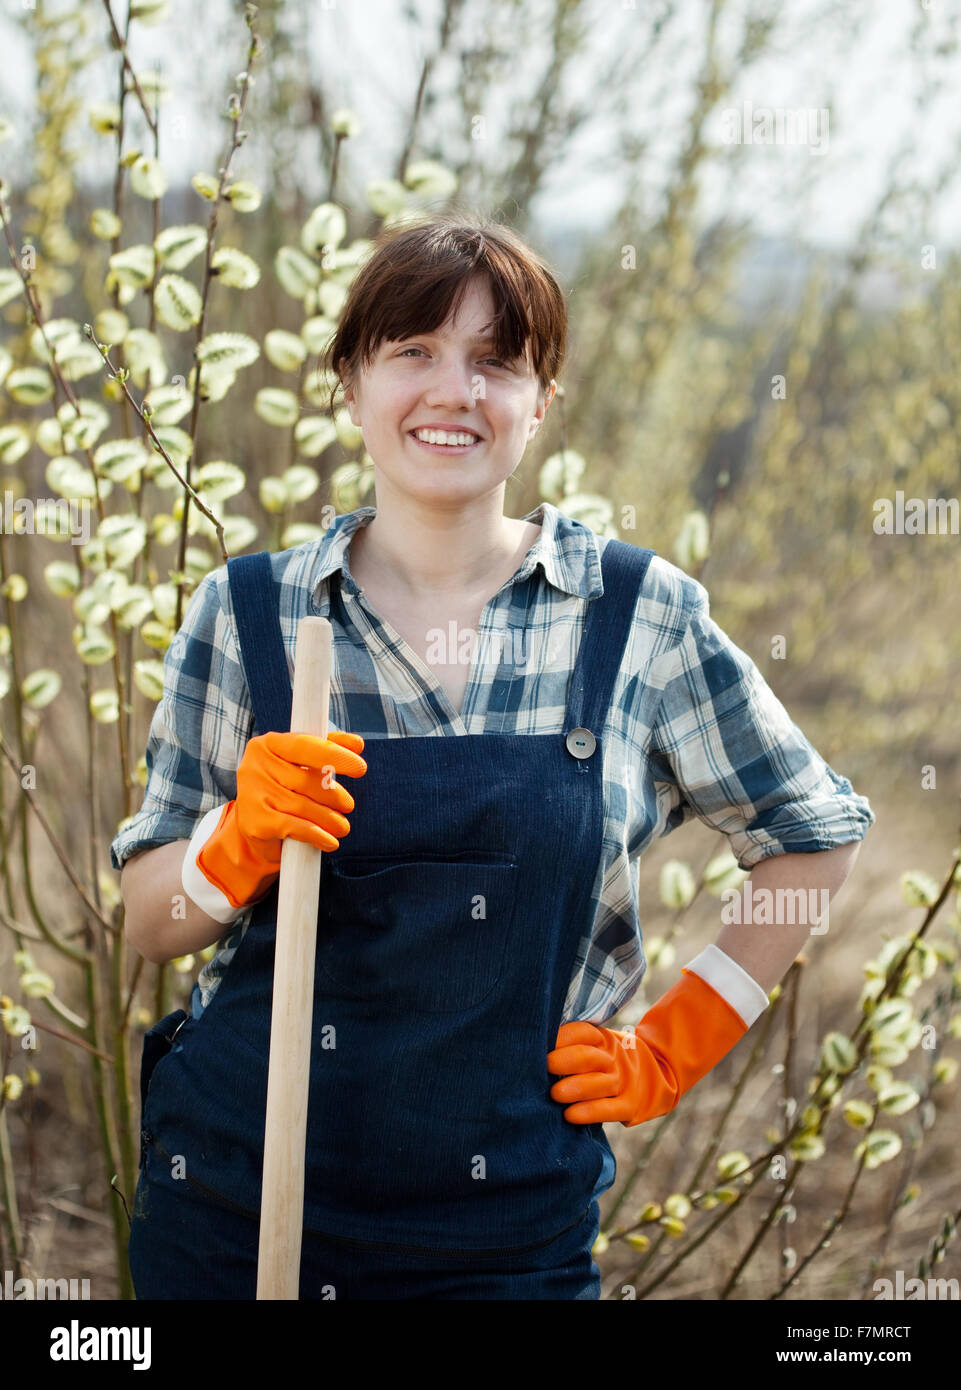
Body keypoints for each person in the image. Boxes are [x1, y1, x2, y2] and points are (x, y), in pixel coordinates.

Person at [113, 214, 875, 1301]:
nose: (452, 392)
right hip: (239, 1210)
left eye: (494, 363)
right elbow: (149, 924)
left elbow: (815, 839)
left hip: (507, 1234)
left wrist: (676, 1038)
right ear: (349, 380)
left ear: (538, 401)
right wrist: (226, 846)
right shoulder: (250, 613)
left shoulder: (635, 616)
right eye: (412, 351)